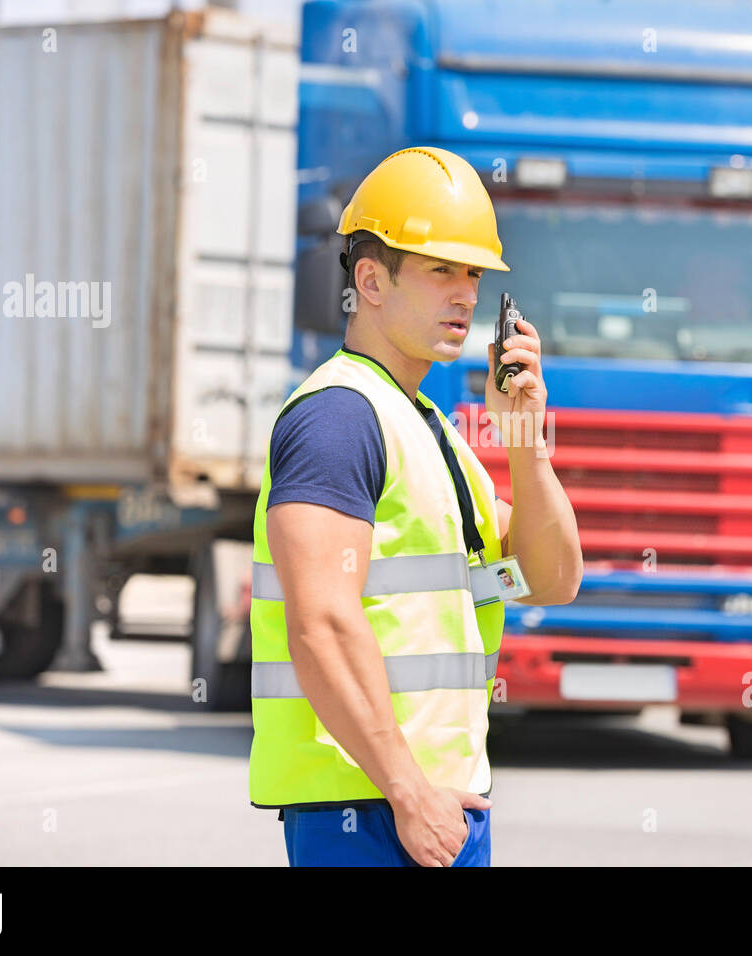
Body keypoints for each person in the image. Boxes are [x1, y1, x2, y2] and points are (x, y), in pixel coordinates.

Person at [247, 146, 583, 866]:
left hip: (436, 806)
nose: (465, 294)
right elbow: (322, 624)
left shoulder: (431, 429)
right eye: (441, 271)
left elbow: (549, 582)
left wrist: (525, 439)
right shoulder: (337, 418)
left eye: (473, 274)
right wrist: (407, 792)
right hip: (366, 812)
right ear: (370, 279)